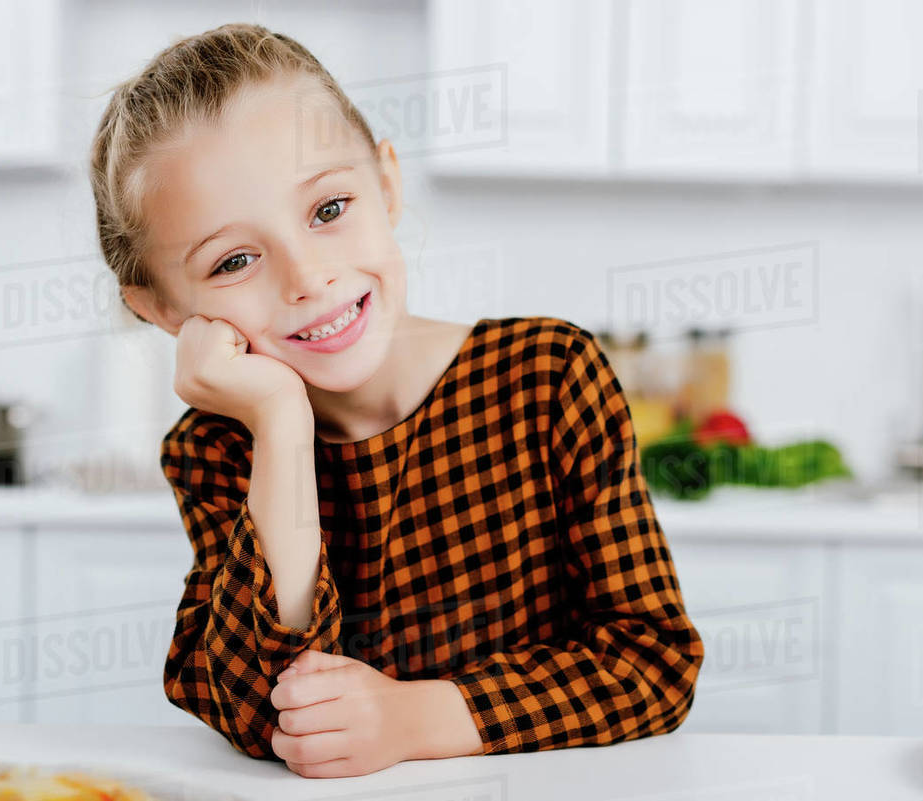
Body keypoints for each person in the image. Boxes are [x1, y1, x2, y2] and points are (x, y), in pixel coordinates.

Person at [88, 22, 704, 779]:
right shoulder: (217, 446)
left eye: (328, 209)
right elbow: (257, 709)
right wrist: (281, 426)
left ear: (385, 184)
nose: (307, 278)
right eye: (235, 260)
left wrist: (413, 719)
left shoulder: (548, 376)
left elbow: (653, 662)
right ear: (161, 310)